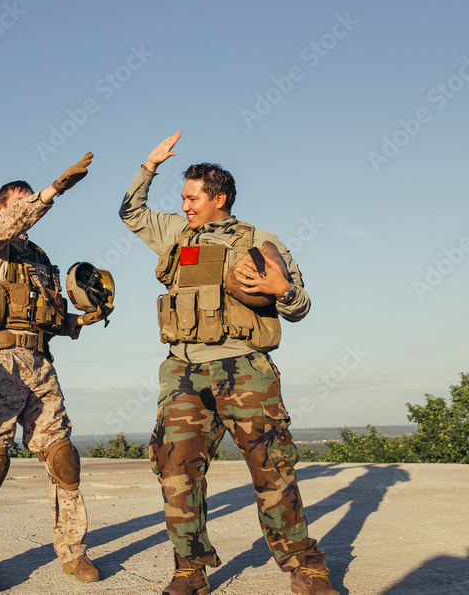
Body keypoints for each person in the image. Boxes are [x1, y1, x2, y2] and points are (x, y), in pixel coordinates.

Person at [119, 131, 341, 595]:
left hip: (244, 368)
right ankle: (189, 570)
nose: (184, 205)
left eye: (191, 197)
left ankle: (305, 566)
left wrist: (282, 291)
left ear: (218, 198)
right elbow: (130, 212)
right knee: (176, 469)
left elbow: (299, 307)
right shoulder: (176, 235)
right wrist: (149, 165)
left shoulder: (261, 241)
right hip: (182, 370)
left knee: (272, 466)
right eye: (182, 197)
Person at [0, 152, 105, 594]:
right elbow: (10, 226)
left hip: (40, 364)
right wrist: (53, 190)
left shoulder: (39, 258)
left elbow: (51, 318)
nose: (28, 210)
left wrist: (84, 319)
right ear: (4, 208)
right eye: (20, 204)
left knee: (64, 460)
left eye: (31, 203)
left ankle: (74, 551)